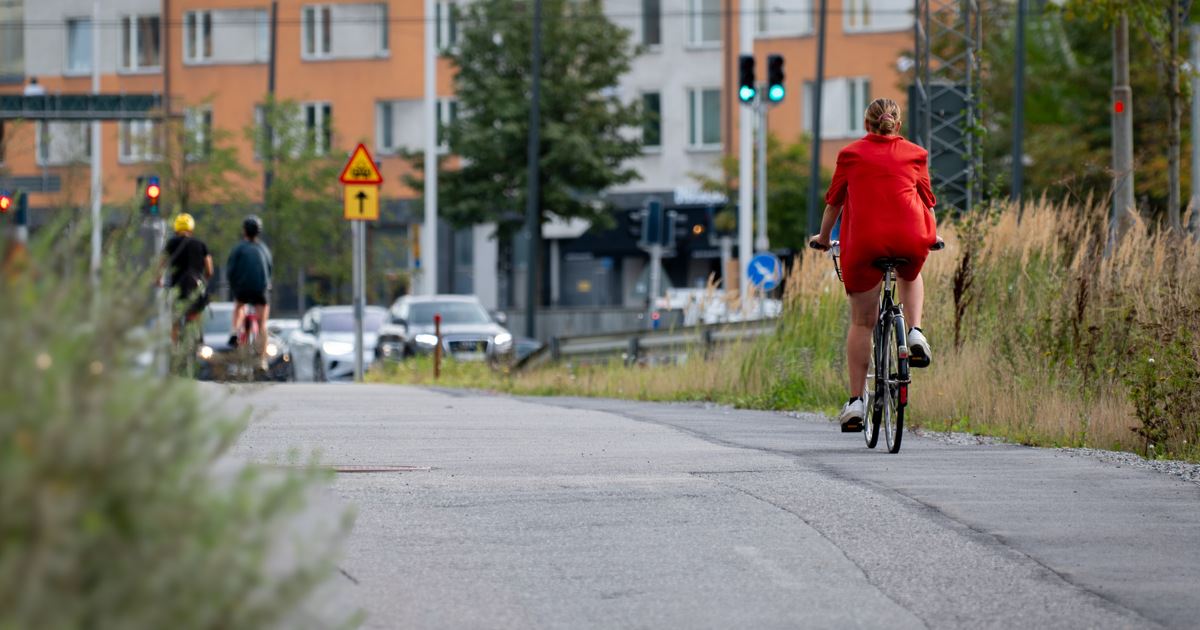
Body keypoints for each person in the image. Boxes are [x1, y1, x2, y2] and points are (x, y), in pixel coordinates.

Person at [808, 98, 939, 433]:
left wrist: (823, 238)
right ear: (897, 123)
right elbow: (925, 200)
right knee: (911, 270)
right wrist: (931, 236)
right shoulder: (916, 154)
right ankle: (915, 332)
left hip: (865, 242)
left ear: (867, 123)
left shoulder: (850, 154)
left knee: (862, 322)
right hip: (910, 235)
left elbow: (834, 204)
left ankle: (855, 402)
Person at [226, 215, 273, 364]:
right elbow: (270, 269)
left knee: (239, 306)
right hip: (260, 290)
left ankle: (235, 330)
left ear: (244, 231)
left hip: (242, 289)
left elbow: (231, 270)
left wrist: (233, 286)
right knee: (262, 323)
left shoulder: (238, 248)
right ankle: (262, 359)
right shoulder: (264, 249)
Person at [160, 213, 213, 342]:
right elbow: (209, 270)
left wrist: (158, 280)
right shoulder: (201, 244)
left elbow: (160, 265)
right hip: (195, 288)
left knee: (176, 320)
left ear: (176, 228)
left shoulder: (171, 244)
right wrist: (204, 280)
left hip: (177, 288)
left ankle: (175, 349)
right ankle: (197, 342)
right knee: (195, 313)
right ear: (191, 228)